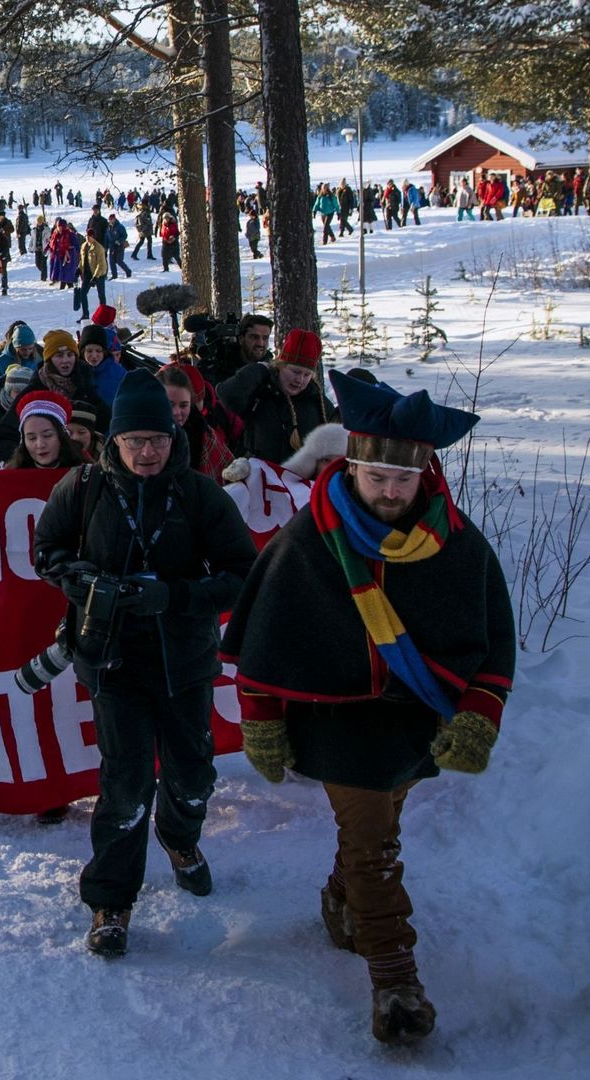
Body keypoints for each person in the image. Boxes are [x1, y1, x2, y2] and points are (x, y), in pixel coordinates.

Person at [220, 372, 513, 1046]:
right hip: (337, 722)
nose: (388, 491)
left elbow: (494, 638)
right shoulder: (308, 539)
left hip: (416, 719)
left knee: (376, 832)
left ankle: (340, 896)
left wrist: (479, 713)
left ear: (424, 477)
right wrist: (261, 720)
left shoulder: (458, 545)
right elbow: (267, 634)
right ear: (352, 469)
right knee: (375, 844)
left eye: (401, 481)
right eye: (377, 477)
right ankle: (395, 980)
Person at [30, 370, 256, 958]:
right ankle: (111, 900)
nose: (148, 452)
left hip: (184, 660)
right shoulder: (82, 488)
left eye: (157, 439)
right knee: (125, 786)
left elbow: (241, 574)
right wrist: (74, 579)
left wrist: (175, 597)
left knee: (191, 776)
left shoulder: (201, 493)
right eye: (136, 442)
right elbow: (45, 550)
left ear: (172, 436)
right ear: (116, 441)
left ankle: (180, 839)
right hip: (112, 661)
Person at [216, 327, 335, 463]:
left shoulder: (316, 400)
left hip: (302, 479)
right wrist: (259, 369)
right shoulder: (261, 392)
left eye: (306, 374)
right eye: (295, 372)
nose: (300, 380)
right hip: (260, 475)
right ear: (280, 366)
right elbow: (227, 394)